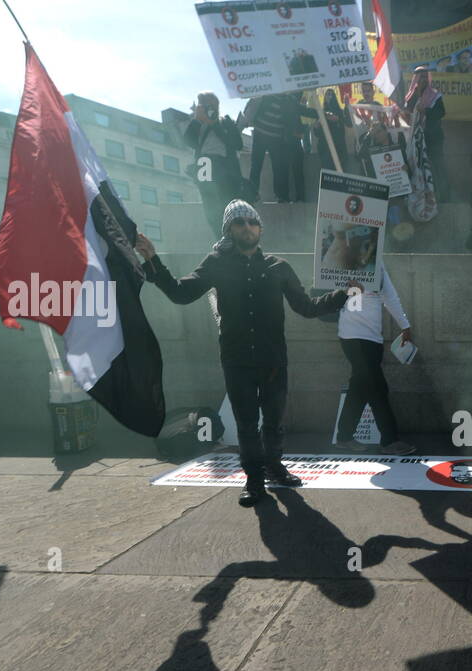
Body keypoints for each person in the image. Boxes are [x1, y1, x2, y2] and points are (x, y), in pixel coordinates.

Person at [135, 200, 349, 507]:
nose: (247, 227)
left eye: (252, 222)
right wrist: (152, 261)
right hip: (237, 361)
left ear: (260, 228)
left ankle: (275, 468)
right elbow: (181, 293)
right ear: (229, 229)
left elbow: (307, 308)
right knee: (247, 424)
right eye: (240, 223)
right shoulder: (216, 264)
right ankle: (253, 480)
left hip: (273, 360)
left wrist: (345, 293)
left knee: (274, 421)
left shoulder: (279, 267)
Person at [333, 263, 416, 455]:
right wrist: (405, 326)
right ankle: (389, 440)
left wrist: (405, 325)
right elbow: (389, 297)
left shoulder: (375, 266)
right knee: (377, 388)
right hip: (354, 336)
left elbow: (390, 297)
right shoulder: (347, 264)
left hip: (369, 337)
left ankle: (344, 437)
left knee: (359, 388)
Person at [185, 91, 246, 238]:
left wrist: (214, 125)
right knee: (210, 204)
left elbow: (237, 144)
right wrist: (197, 120)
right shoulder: (197, 123)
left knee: (229, 202)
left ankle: (231, 234)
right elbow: (188, 141)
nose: (209, 108)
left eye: (211, 105)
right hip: (205, 165)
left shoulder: (225, 121)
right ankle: (220, 237)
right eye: (204, 105)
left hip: (225, 166)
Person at [239, 93, 300, 203]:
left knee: (278, 168)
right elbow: (251, 106)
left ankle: (281, 196)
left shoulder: (289, 100)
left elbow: (298, 112)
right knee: (256, 166)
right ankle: (252, 195)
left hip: (276, 138)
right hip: (260, 134)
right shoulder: (266, 94)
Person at [403, 67, 446, 210]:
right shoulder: (411, 96)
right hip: (415, 141)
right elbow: (406, 115)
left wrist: (426, 111)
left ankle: (442, 198)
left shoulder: (435, 95)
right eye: (419, 77)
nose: (421, 80)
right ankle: (420, 198)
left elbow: (441, 112)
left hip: (432, 139)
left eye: (424, 77)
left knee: (437, 167)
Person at [315, 89, 350, 172]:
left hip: (339, 149)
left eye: (331, 94)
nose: (329, 97)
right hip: (325, 150)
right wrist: (317, 125)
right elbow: (317, 133)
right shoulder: (321, 112)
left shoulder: (339, 112)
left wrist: (338, 119)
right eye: (327, 94)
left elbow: (348, 123)